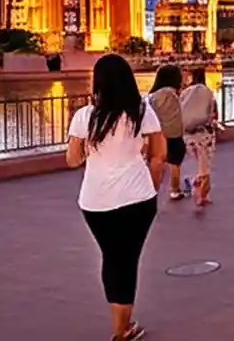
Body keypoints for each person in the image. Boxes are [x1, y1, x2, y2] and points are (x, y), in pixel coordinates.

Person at [66, 54, 166, 341]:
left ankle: (122, 327)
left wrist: (87, 145)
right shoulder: (142, 112)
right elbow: (159, 156)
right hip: (138, 198)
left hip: (95, 201)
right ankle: (121, 329)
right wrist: (152, 186)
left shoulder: (85, 117)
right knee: (128, 259)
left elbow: (72, 160)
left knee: (112, 257)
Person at [146, 64, 187, 200]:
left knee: (156, 161)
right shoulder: (171, 94)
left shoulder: (152, 96)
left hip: (157, 133)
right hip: (173, 133)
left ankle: (151, 189)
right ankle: (174, 189)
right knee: (175, 162)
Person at [179, 67, 219, 207]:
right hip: (204, 134)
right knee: (205, 166)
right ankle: (201, 193)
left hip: (188, 135)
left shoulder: (185, 92)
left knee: (200, 163)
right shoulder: (207, 92)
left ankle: (201, 190)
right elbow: (213, 112)